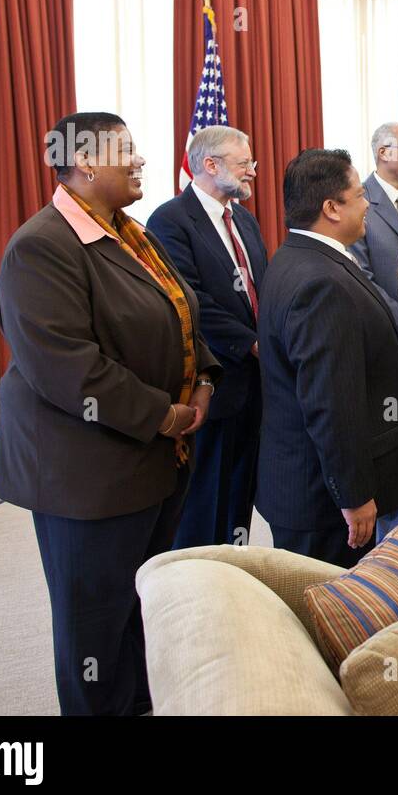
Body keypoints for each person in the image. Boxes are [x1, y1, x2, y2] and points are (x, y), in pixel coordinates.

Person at [0, 111, 220, 715]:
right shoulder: (40, 247)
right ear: (86, 162)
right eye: (128, 149)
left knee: (140, 607)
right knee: (94, 625)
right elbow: (69, 369)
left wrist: (203, 379)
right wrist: (165, 416)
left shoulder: (131, 233)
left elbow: (181, 313)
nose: (141, 159)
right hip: (87, 475)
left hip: (154, 461)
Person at [256, 149, 398, 569]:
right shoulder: (320, 282)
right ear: (331, 208)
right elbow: (330, 401)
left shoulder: (295, 256)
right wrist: (354, 494)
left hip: (308, 485)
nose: (367, 205)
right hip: (322, 500)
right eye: (360, 195)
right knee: (328, 603)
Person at [147, 125, 266, 549]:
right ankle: (198, 576)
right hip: (210, 380)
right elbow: (190, 299)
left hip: (255, 383)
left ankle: (235, 567)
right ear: (211, 165)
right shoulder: (170, 220)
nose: (252, 171)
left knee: (241, 492)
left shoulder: (244, 220)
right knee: (204, 499)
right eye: (244, 163)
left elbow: (261, 289)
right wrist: (251, 343)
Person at [348, 121, 398, 541]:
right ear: (383, 152)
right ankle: (383, 558)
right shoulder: (358, 201)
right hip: (388, 355)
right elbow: (364, 281)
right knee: (390, 463)